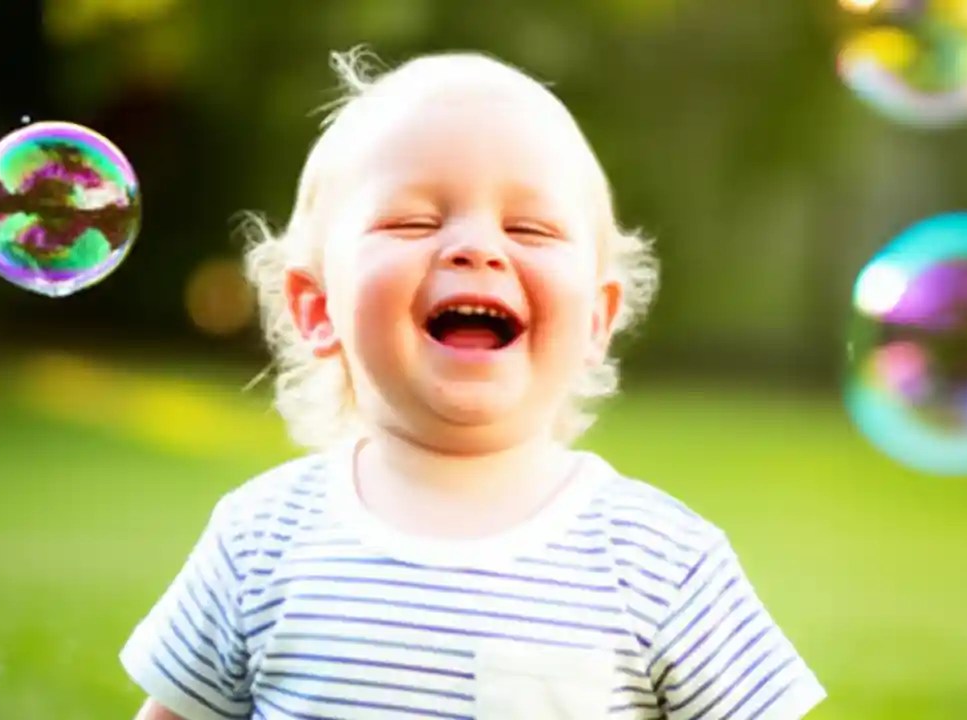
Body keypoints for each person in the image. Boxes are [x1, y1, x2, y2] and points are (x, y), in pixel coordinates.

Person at [122, 47, 826, 720]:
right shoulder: (259, 540)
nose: (476, 247)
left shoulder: (661, 561)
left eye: (530, 228)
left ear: (596, 320)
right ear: (318, 306)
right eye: (412, 220)